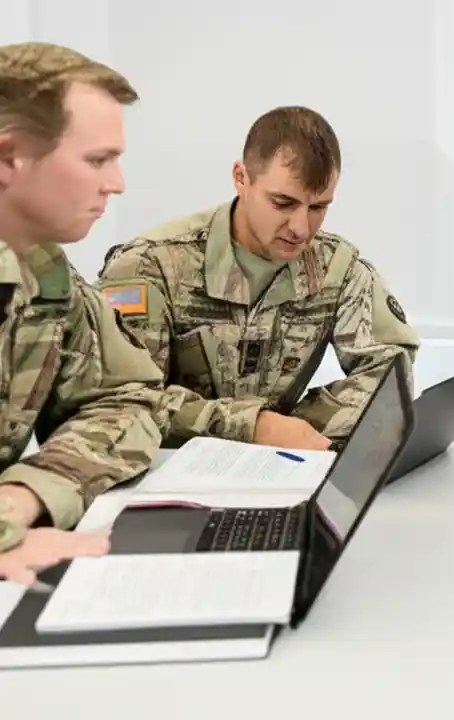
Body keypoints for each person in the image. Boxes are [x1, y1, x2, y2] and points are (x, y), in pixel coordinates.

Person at [97, 106, 420, 451]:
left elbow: (390, 375)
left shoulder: (337, 269)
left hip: (279, 469)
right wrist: (255, 427)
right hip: (164, 468)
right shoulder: (150, 265)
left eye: (318, 207)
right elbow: (122, 402)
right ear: (241, 178)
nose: (301, 229)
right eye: (283, 203)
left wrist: (296, 430)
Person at [0, 42, 178, 583]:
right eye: (97, 160)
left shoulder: (43, 273)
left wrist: (28, 493)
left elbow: (127, 396)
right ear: (8, 158)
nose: (116, 183)